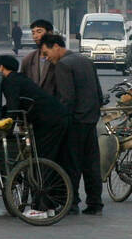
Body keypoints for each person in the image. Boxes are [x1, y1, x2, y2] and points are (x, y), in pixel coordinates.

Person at [0, 54, 71, 217]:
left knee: (39, 161)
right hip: (55, 119)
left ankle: (40, 208)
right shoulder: (20, 79)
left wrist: (6, 131)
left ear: (1, 67)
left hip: (48, 122)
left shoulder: (10, 81)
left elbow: (13, 109)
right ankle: (49, 207)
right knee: (47, 160)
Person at [42, 33, 104, 215]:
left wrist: (58, 120)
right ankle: (95, 202)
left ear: (56, 46)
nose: (47, 58)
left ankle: (71, 202)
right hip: (91, 119)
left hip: (75, 121)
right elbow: (98, 93)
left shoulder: (63, 65)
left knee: (72, 164)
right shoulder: (85, 61)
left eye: (47, 53)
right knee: (91, 163)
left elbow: (67, 99)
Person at [19, 19, 56, 93]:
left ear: (50, 33)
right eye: (33, 33)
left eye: (39, 32)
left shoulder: (60, 57)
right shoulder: (28, 59)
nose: (35, 36)